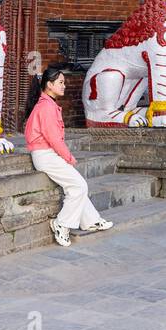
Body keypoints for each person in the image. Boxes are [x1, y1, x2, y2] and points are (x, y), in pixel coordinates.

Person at [24, 64, 113, 246]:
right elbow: (54, 139)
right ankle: (61, 224)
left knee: (77, 184)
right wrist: (68, 157)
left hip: (46, 154)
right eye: (61, 82)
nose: (64, 86)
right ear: (49, 85)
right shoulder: (46, 107)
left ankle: (90, 220)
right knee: (78, 186)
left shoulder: (46, 104)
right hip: (45, 155)